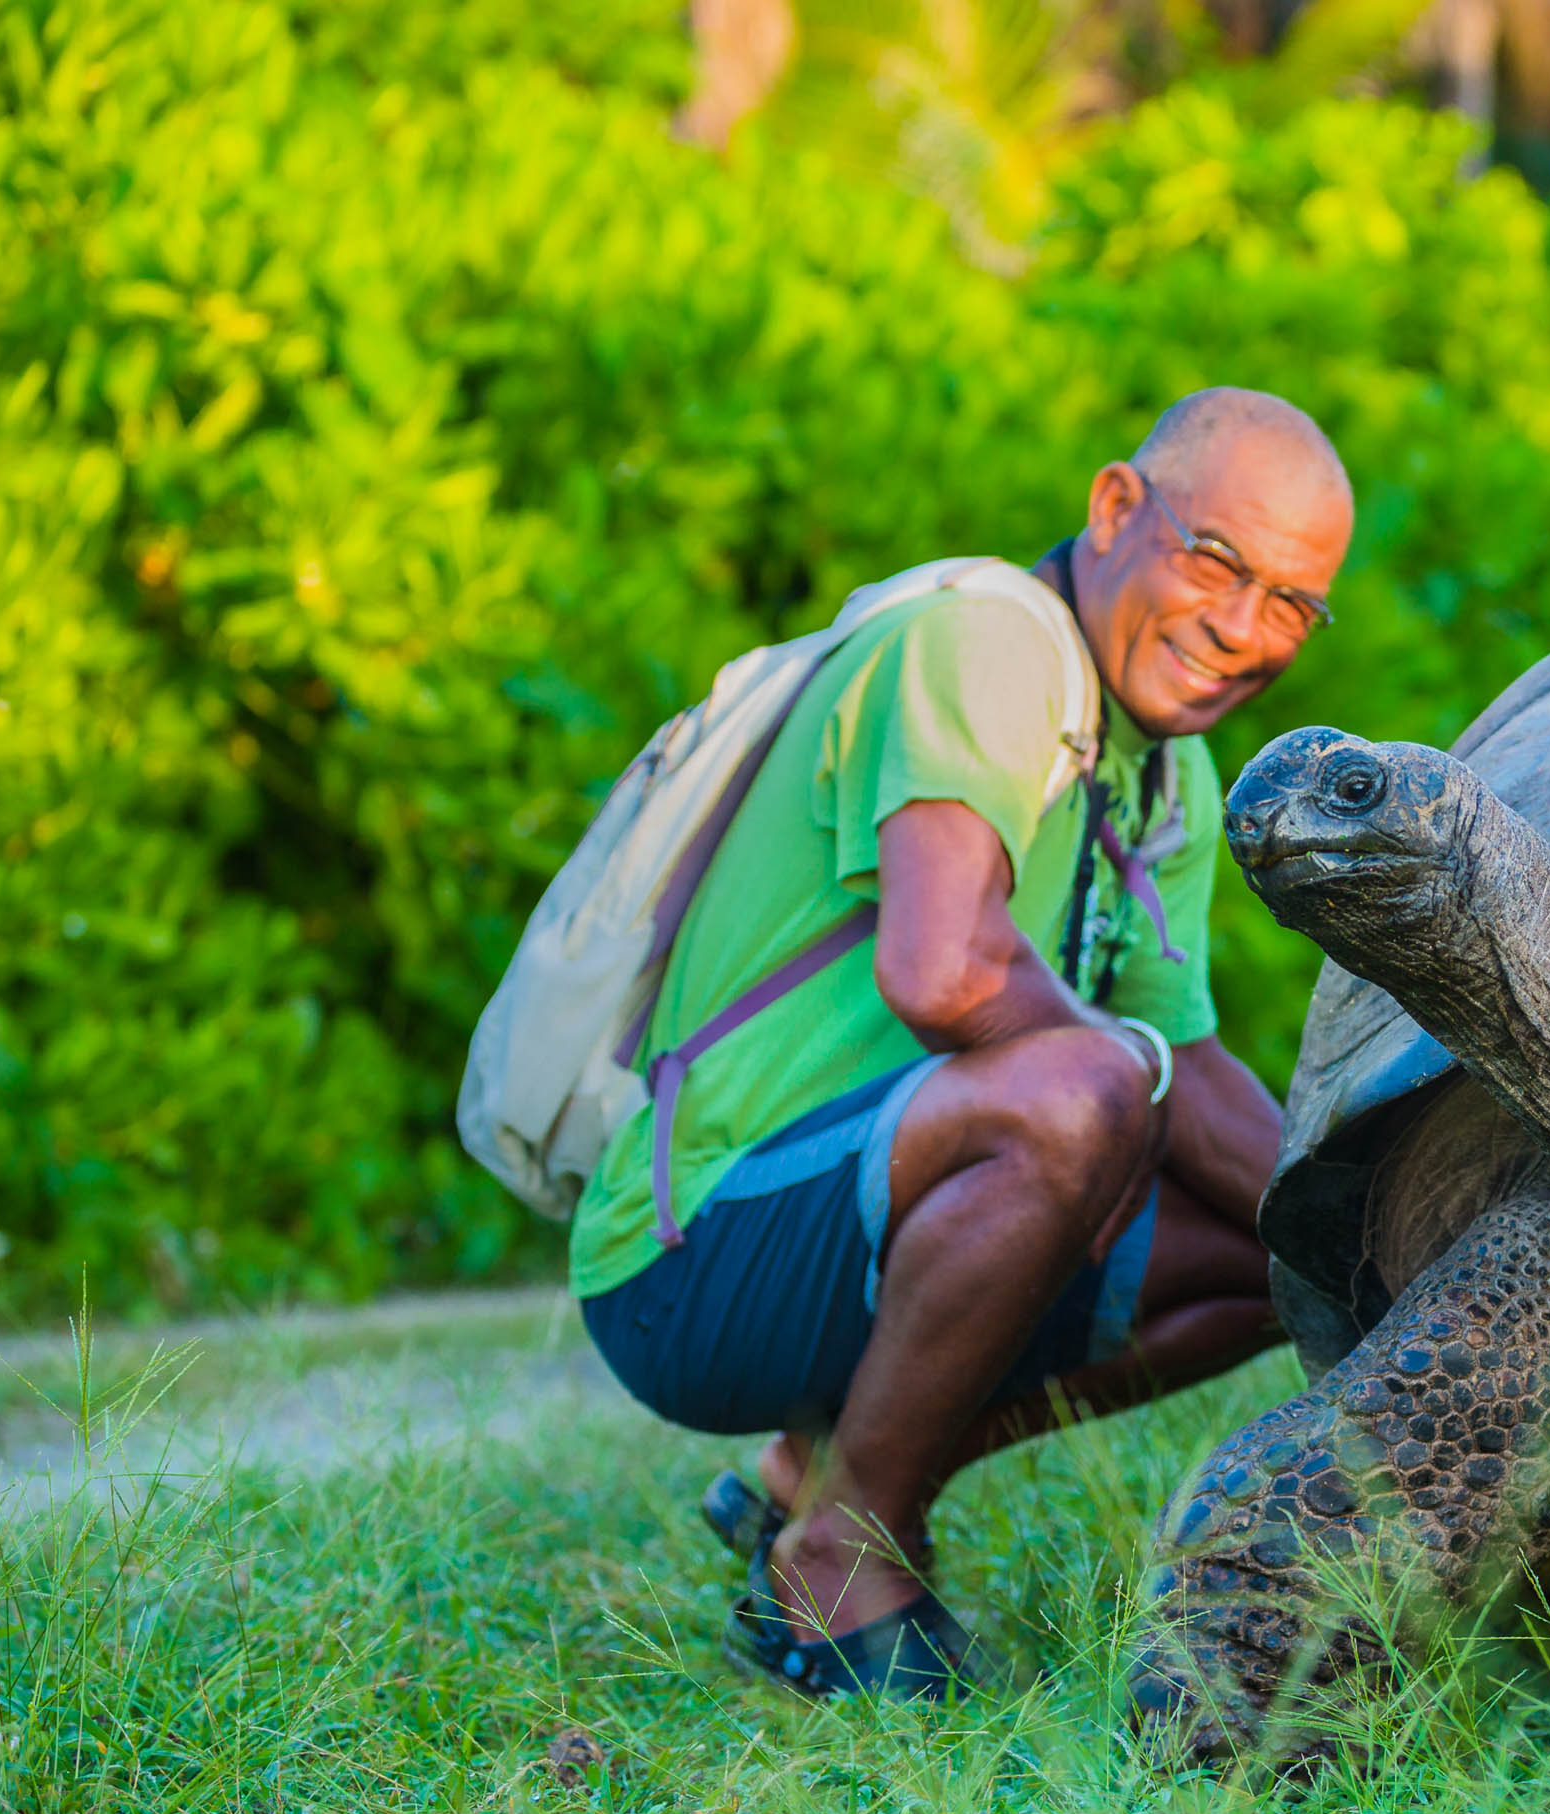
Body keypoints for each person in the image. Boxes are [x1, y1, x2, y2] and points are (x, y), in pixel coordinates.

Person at [565, 388, 1354, 1697]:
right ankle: (842, 1550)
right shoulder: (987, 642)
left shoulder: (1166, 776)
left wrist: (1372, 1227)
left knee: (1285, 1255)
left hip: (872, 1222)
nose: (1242, 627)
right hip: (692, 1256)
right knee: (1084, 1097)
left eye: (1291, 603)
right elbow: (942, 973)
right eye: (1218, 561)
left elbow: (1189, 1068)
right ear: (1114, 509)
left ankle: (824, 1479)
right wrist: (1128, 1095)